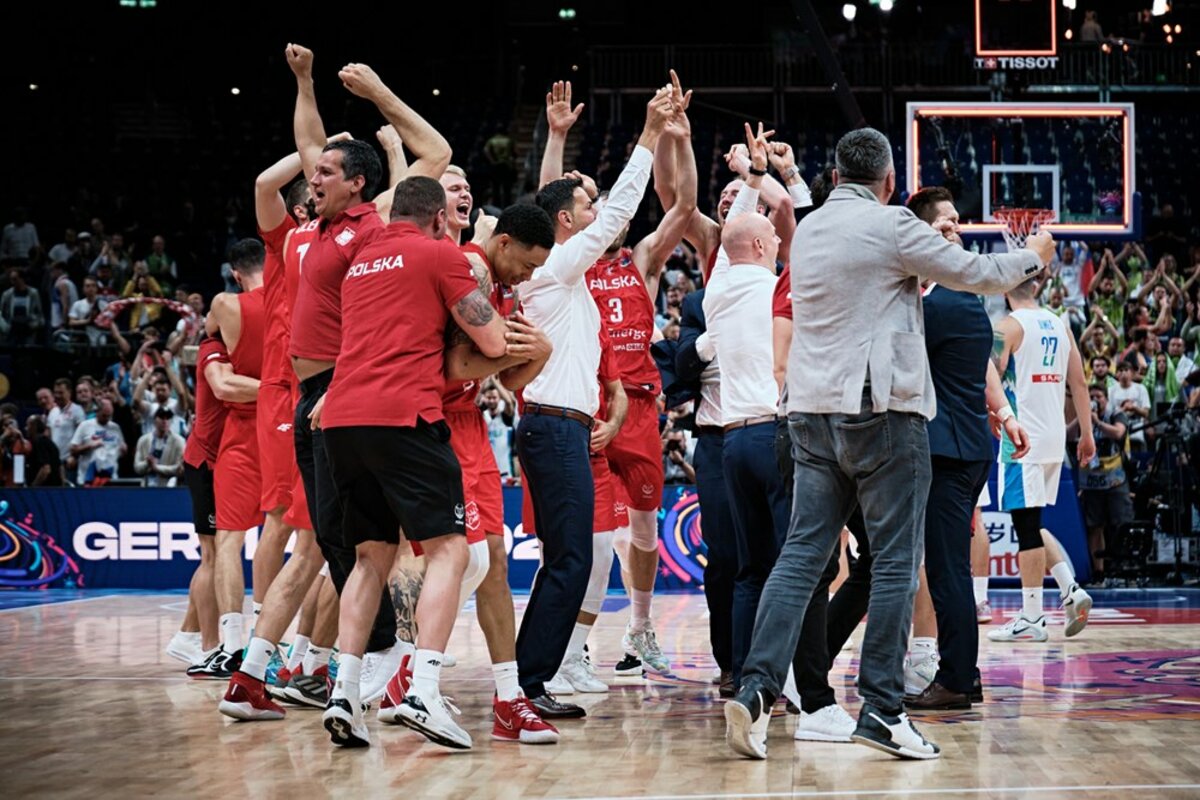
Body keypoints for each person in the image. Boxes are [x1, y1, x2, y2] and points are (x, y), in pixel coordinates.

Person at [725, 127, 1051, 762]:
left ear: (837, 172)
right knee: (898, 563)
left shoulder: (811, 229)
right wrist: (1033, 253)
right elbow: (978, 273)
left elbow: (798, 205)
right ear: (890, 182)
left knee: (799, 559)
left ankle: (759, 687)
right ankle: (882, 708)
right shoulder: (893, 225)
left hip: (810, 417)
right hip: (882, 415)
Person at [315, 176, 509, 749]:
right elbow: (494, 341)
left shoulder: (360, 262)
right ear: (436, 219)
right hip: (403, 414)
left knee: (370, 557)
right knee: (450, 548)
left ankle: (344, 693)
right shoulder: (439, 253)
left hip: (342, 420)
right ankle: (423, 687)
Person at [283, 46, 450, 705]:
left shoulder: (369, 224)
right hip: (310, 396)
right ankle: (362, 658)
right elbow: (305, 142)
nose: (312, 176)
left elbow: (432, 153)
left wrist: (380, 93)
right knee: (331, 534)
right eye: (314, 170)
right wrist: (302, 81)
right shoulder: (320, 225)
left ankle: (387, 652)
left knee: (359, 535)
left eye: (325, 171)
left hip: (344, 391)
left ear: (356, 184)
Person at [516, 83, 675, 718]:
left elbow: (554, 208)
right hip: (556, 427)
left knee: (573, 556)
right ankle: (531, 680)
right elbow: (603, 213)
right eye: (585, 204)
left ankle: (533, 677)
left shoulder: (561, 269)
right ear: (566, 222)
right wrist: (647, 137)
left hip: (565, 424)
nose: (595, 209)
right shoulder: (555, 265)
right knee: (575, 556)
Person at [375, 202, 560, 744]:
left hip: (472, 423)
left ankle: (509, 698)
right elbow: (454, 366)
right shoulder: (473, 269)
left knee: (494, 561)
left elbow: (510, 379)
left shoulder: (504, 284)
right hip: (437, 424)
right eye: (525, 265)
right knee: (460, 558)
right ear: (502, 244)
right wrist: (511, 355)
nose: (527, 276)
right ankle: (407, 672)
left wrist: (540, 355)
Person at [544, 72, 696, 676]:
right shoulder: (571, 267)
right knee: (595, 532)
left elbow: (683, 204)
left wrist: (677, 139)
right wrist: (558, 139)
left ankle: (639, 630)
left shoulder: (641, 261)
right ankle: (577, 645)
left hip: (642, 408)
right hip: (591, 405)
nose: (612, 213)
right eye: (598, 206)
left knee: (645, 531)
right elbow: (545, 202)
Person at [903, 186, 1031, 712]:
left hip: (948, 450)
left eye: (957, 223)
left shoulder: (946, 301)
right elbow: (981, 368)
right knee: (943, 564)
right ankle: (954, 670)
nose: (955, 230)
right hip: (963, 442)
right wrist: (1003, 412)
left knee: (946, 567)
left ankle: (956, 676)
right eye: (944, 225)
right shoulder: (951, 296)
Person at [988, 273, 1096, 644]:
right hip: (1054, 438)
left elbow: (992, 376)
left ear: (1005, 289)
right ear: (1035, 287)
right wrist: (1087, 433)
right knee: (1030, 520)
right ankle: (1070, 590)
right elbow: (1079, 383)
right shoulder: (1059, 323)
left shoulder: (1007, 326)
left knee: (1026, 526)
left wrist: (992, 414)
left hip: (1023, 437)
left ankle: (1032, 616)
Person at [204, 239, 267, 677]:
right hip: (289, 427)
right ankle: (280, 645)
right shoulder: (295, 301)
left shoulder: (226, 304)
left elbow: (223, 382)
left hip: (244, 434)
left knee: (230, 541)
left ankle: (231, 643)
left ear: (235, 271)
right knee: (301, 543)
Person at [1070, 383, 1132, 580]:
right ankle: (1099, 570)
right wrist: (1083, 417)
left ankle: (1122, 565)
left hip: (1115, 481)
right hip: (1091, 482)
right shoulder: (1083, 415)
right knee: (1094, 526)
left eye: (1099, 397)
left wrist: (1096, 422)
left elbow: (1118, 433)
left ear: (1107, 398)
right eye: (1092, 397)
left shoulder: (1116, 414)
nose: (1096, 400)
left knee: (1120, 523)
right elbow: (1067, 435)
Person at [68, 398, 125, 485]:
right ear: (97, 412)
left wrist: (123, 450)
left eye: (109, 416)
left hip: (110, 479)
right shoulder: (85, 425)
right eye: (104, 415)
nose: (107, 419)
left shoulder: (115, 427)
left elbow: (120, 451)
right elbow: (72, 450)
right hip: (87, 480)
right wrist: (89, 446)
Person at [134, 407, 185, 487]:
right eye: (161, 417)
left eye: (168, 418)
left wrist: (157, 468)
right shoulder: (143, 440)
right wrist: (147, 463)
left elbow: (180, 469)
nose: (165, 421)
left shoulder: (179, 441)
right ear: (154, 420)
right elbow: (137, 467)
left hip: (170, 488)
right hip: (147, 488)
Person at [1109, 360, 1150, 451]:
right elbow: (1109, 413)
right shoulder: (1111, 390)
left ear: (1132, 373)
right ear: (1116, 374)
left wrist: (1134, 408)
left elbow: (1146, 413)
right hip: (1118, 427)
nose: (1123, 373)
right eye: (1120, 370)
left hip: (1137, 427)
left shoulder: (1141, 389)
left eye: (1126, 370)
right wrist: (1123, 409)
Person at [0, 267, 44, 345]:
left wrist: (34, 325)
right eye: (11, 279)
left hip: (28, 329)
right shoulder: (7, 295)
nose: (12, 282)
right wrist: (6, 327)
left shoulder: (33, 293)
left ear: (22, 279)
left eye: (15, 279)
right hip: (12, 329)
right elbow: (2, 312)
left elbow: (38, 312)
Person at [24, 415, 62, 486]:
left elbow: (45, 469)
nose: (26, 428)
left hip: (44, 490)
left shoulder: (39, 442)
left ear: (34, 427)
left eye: (27, 425)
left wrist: (33, 487)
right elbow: (60, 467)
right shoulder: (50, 442)